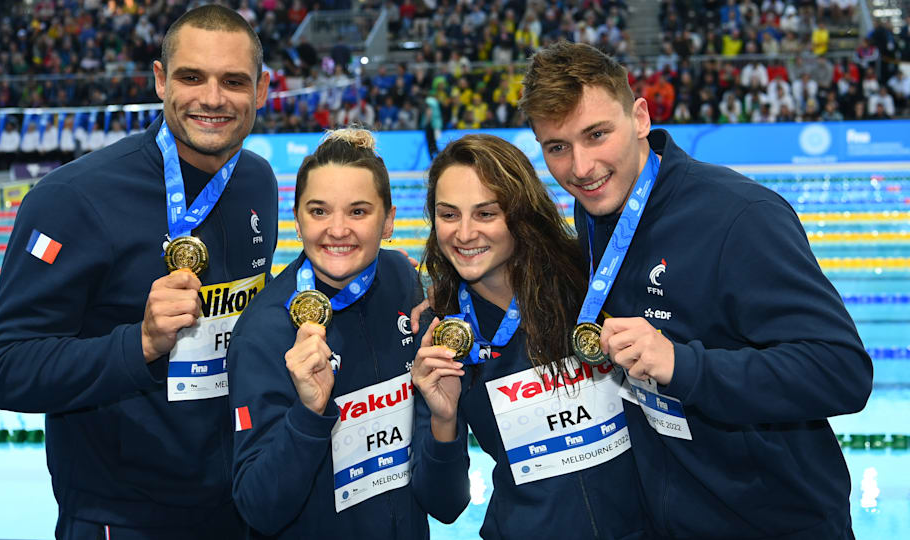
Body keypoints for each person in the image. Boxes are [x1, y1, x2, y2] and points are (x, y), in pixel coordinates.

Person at [518, 41, 872, 539]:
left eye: (597, 134)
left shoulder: (740, 217)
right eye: (557, 147)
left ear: (639, 118)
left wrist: (684, 365)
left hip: (774, 524)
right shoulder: (598, 207)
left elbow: (842, 371)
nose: (581, 167)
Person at [0, 5, 275, 539]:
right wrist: (138, 343)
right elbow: (5, 368)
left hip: (239, 504)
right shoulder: (72, 199)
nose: (212, 98)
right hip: (124, 517)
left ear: (261, 90)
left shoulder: (257, 182)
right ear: (160, 80)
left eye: (234, 81)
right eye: (191, 77)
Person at [410, 134, 651, 539]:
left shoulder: (590, 282)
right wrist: (444, 419)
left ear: (519, 214)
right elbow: (444, 505)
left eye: (486, 214)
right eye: (449, 215)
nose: (465, 234)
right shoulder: (441, 336)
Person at [227, 128, 429, 539]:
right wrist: (308, 415)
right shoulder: (263, 332)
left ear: (389, 219)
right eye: (319, 211)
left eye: (358, 212)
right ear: (297, 220)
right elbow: (257, 506)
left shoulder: (401, 276)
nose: (337, 230)